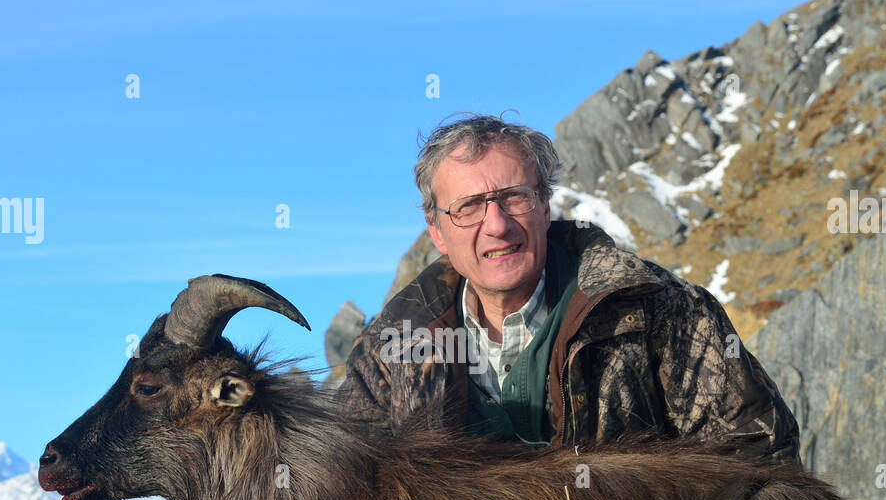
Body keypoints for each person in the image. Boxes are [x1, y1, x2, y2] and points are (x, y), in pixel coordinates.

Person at [334, 114, 801, 465]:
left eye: (514, 196)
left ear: (544, 205)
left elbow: (760, 459)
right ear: (437, 231)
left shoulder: (662, 311)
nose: (496, 225)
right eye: (469, 207)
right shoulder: (388, 351)